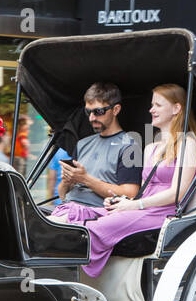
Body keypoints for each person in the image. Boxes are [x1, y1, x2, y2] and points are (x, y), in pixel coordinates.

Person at [81, 83, 196, 278]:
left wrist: (137, 204)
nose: (151, 110)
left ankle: (82, 279)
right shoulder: (150, 148)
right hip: (142, 208)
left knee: (91, 229)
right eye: (152, 104)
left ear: (176, 109)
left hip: (162, 213)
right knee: (81, 215)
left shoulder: (187, 144)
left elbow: (178, 193)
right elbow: (143, 189)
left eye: (158, 105)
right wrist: (124, 202)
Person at [48, 82, 141, 225]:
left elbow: (131, 194)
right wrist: (67, 182)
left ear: (115, 110)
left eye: (98, 112)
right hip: (67, 209)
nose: (91, 118)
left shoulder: (130, 146)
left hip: (97, 216)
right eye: (88, 112)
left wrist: (85, 179)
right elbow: (63, 194)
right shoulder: (82, 144)